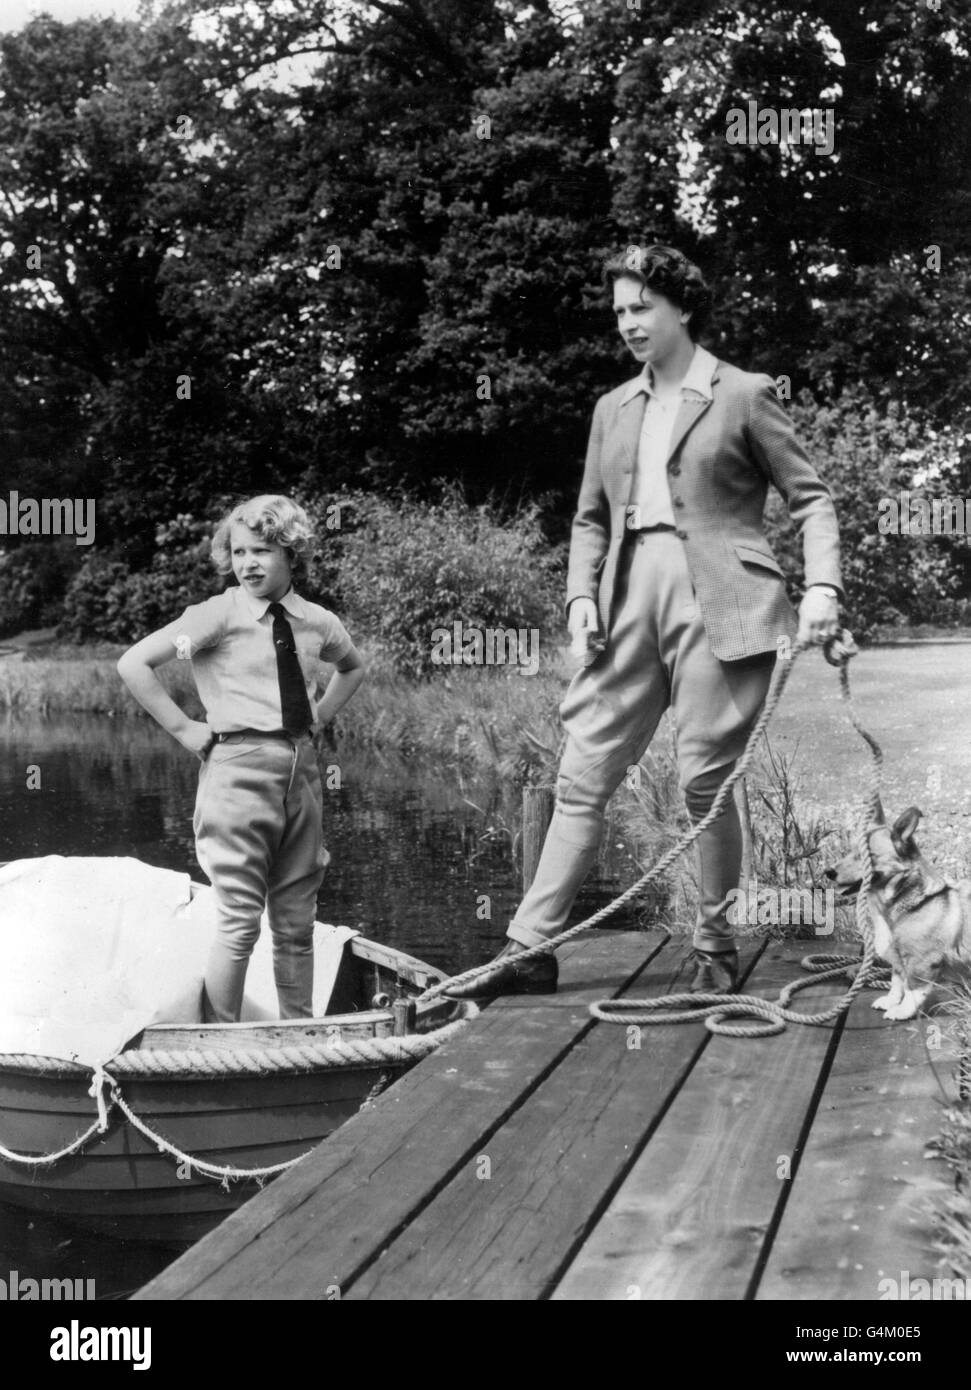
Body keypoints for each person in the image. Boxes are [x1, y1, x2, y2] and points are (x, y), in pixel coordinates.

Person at [449, 245, 842, 1001]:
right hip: (627, 605)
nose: (627, 323)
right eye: (620, 311)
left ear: (682, 308)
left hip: (722, 606)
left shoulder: (743, 393)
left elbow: (811, 498)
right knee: (581, 771)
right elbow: (589, 519)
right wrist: (579, 598)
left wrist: (820, 586)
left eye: (641, 308)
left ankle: (714, 943)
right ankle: (528, 947)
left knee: (704, 783)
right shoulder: (612, 408)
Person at [117, 494, 365, 1022]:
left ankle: (300, 1033)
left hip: (300, 771)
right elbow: (136, 663)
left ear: (293, 555)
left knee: (297, 921)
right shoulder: (216, 617)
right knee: (239, 920)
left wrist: (319, 715)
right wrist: (185, 728)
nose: (248, 563)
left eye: (263, 551)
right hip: (236, 771)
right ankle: (221, 1038)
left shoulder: (315, 621)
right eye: (238, 551)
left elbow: (352, 668)